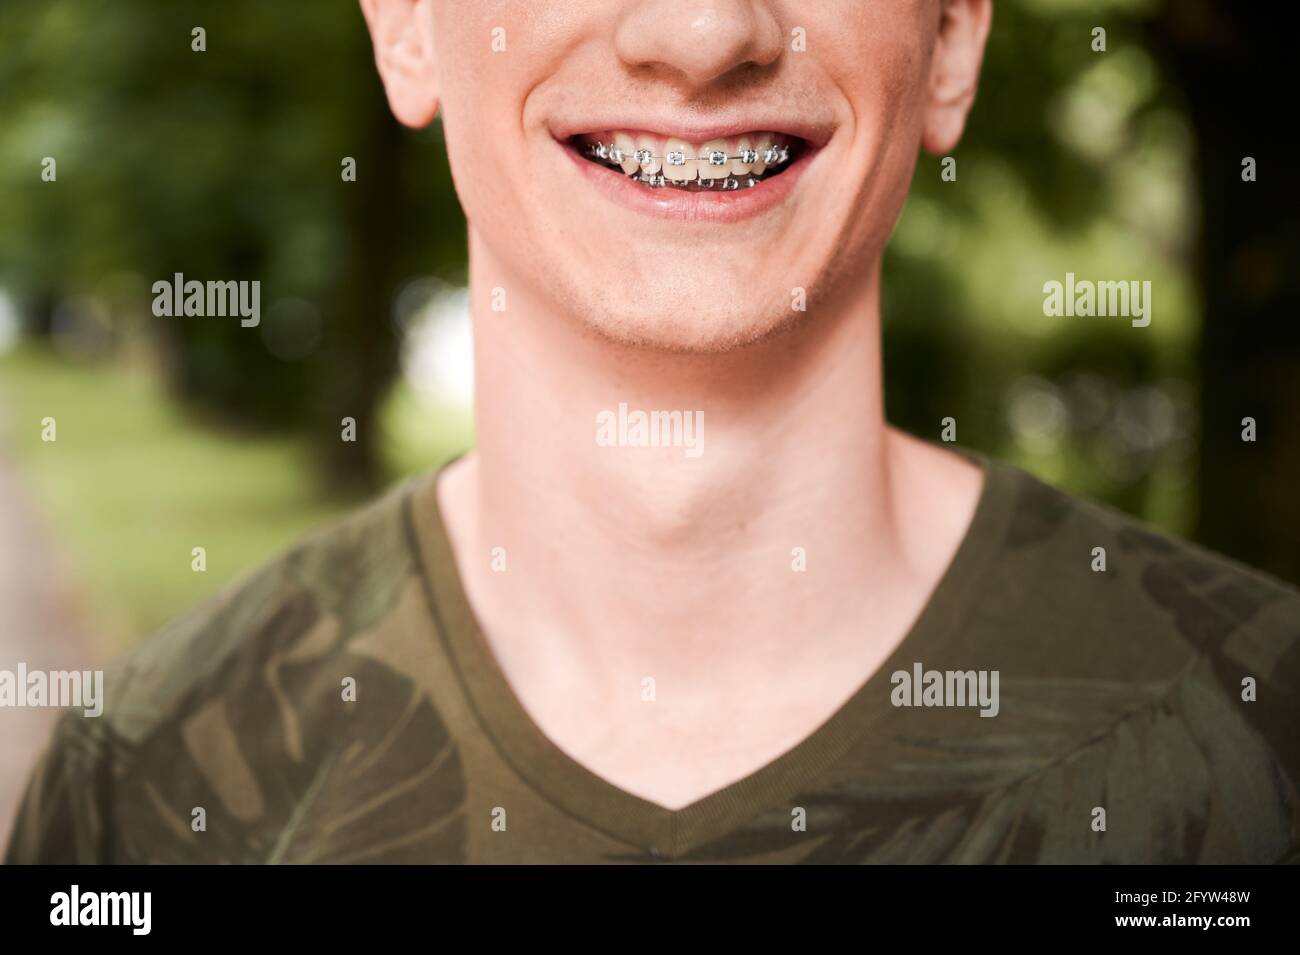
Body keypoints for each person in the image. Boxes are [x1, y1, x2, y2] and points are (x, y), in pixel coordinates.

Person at [7, 0, 1298, 865]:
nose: (700, 32)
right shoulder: (143, 785)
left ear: (953, 37)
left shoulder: (1265, 741)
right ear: (404, 24)